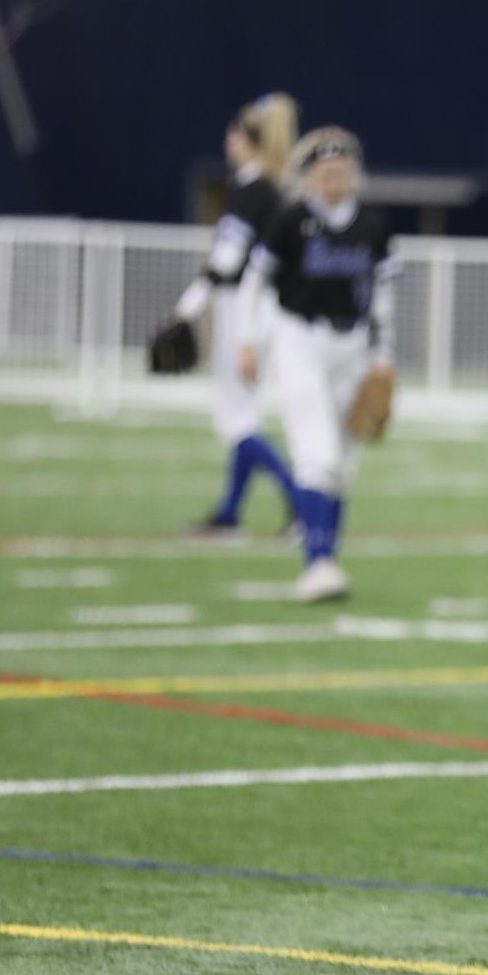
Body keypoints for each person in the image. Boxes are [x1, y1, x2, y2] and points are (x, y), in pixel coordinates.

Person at [236, 126, 398, 603]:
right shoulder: (291, 219)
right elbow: (255, 281)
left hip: (353, 346)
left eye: (342, 170)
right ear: (309, 176)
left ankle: (327, 558)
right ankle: (316, 564)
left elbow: (384, 296)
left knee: (344, 464)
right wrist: (249, 341)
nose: (334, 178)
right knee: (317, 455)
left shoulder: (372, 224)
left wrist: (384, 357)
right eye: (325, 171)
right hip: (300, 339)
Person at [174, 93, 303, 538]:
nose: (228, 140)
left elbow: (227, 264)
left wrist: (187, 308)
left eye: (235, 132)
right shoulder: (267, 189)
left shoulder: (253, 191)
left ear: (251, 140)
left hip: (245, 313)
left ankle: (303, 503)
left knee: (237, 421)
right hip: (258, 311)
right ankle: (230, 512)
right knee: (241, 413)